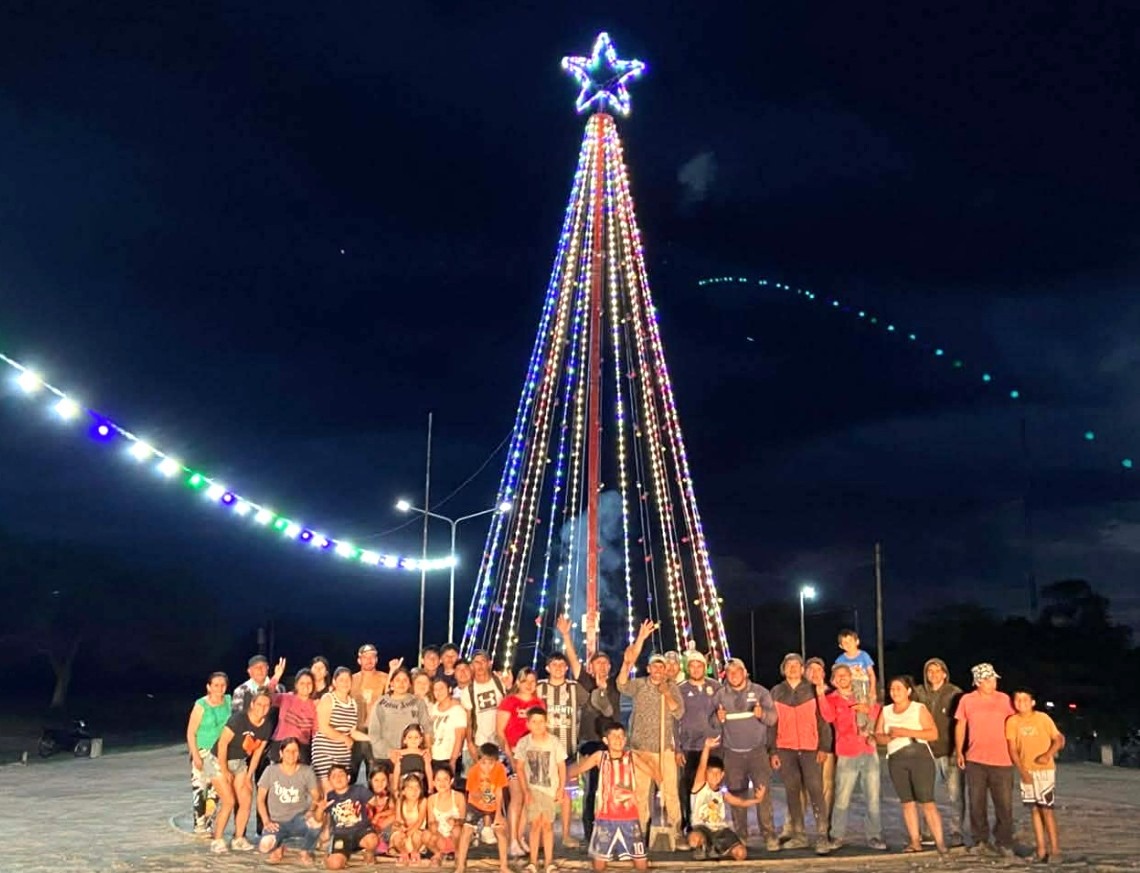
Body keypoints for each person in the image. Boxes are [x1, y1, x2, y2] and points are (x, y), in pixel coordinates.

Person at [556, 614, 621, 843]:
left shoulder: (616, 684)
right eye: (597, 663)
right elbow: (573, 661)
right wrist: (566, 635)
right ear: (591, 667)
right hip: (589, 742)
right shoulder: (585, 681)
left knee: (612, 788)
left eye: (605, 663)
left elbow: (629, 663)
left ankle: (612, 827)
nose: (601, 666)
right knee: (592, 787)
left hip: (612, 744)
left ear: (609, 666)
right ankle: (589, 830)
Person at [617, 619, 685, 840]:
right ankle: (640, 831)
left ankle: (675, 830)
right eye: (654, 666)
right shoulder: (639, 685)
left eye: (661, 667)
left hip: (664, 748)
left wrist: (666, 693)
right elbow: (621, 684)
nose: (657, 670)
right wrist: (626, 663)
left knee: (670, 792)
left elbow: (678, 713)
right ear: (648, 669)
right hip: (640, 749)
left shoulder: (672, 687)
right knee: (640, 793)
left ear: (665, 671)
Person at [769, 653, 836, 853]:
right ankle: (799, 835)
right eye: (788, 665)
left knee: (816, 790)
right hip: (785, 749)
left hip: (810, 748)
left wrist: (824, 747)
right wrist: (773, 751)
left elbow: (823, 722)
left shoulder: (813, 690)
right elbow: (772, 724)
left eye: (796, 665)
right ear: (783, 669)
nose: (792, 668)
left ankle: (822, 835)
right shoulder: (776, 692)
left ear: (802, 669)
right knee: (792, 792)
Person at [710, 656, 778, 850]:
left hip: (757, 753)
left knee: (763, 794)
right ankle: (741, 835)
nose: (733, 675)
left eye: (737, 671)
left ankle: (769, 834)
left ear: (745, 672)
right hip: (732, 755)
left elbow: (773, 719)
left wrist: (762, 714)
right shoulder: (720, 695)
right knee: (736, 794)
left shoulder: (760, 692)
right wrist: (717, 718)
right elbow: (712, 724)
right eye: (729, 672)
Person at [875, 676, 947, 855]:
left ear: (908, 691)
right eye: (892, 689)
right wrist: (888, 737)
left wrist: (905, 732)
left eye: (899, 688)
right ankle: (915, 842)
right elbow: (878, 736)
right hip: (896, 759)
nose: (895, 692)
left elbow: (933, 734)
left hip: (919, 756)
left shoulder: (918, 708)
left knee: (927, 802)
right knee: (907, 803)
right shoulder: (886, 711)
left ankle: (940, 843)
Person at [569, 722, 649, 872]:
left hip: (630, 817)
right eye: (614, 736)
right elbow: (576, 770)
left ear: (625, 739)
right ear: (606, 740)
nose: (618, 740)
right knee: (599, 863)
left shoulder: (632, 757)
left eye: (621, 736)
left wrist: (648, 762)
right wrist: (561, 773)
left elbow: (655, 773)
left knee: (641, 862)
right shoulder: (600, 757)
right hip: (606, 819)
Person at [822, 664, 886, 850]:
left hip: (868, 750)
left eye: (845, 674)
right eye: (838, 676)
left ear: (851, 677)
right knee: (842, 798)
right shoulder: (831, 699)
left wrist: (868, 710)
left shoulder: (862, 694)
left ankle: (874, 836)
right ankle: (837, 835)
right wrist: (819, 693)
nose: (842, 678)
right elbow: (827, 717)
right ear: (834, 681)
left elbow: (879, 712)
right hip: (847, 752)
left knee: (872, 797)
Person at [955, 662, 1016, 857]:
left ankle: (1004, 840)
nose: (993, 683)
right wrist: (959, 751)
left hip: (1003, 759)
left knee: (1004, 805)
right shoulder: (967, 700)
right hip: (976, 759)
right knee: (976, 803)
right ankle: (980, 839)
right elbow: (961, 725)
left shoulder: (1004, 699)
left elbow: (1015, 723)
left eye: (994, 679)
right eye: (989, 680)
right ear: (978, 682)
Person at [209, 690, 275, 853]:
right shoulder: (239, 719)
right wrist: (224, 770)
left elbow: (257, 752)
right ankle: (217, 839)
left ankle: (238, 838)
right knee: (229, 801)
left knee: (246, 799)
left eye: (266, 705)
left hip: (240, 763)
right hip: (218, 760)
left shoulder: (267, 725)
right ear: (252, 704)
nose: (262, 708)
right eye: (259, 704)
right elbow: (222, 744)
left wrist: (249, 776)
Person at [1006, 688, 1065, 863]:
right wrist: (1022, 771)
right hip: (1026, 770)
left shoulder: (1042, 719)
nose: (1021, 703)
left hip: (1044, 770)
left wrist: (1048, 754)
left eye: (1025, 700)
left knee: (1047, 810)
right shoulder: (1012, 722)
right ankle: (1041, 849)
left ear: (1032, 702)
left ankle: (1055, 849)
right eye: (1017, 700)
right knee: (1034, 810)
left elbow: (1059, 739)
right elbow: (1012, 749)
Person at [913, 657, 965, 844]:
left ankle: (956, 831)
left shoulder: (954, 693)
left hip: (949, 751)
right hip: (926, 752)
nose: (933, 674)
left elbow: (961, 722)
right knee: (926, 795)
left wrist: (959, 750)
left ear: (944, 674)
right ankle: (928, 831)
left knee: (955, 796)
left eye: (937, 671)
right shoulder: (919, 693)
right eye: (930, 671)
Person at [688, 736, 766, 861]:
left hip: (721, 830)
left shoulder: (722, 791)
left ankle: (717, 850)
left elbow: (739, 802)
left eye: (718, 773)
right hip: (702, 828)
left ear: (722, 775)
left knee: (741, 854)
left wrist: (757, 800)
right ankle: (705, 848)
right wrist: (706, 748)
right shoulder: (700, 786)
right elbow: (702, 766)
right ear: (706, 774)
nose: (715, 776)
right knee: (694, 839)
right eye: (711, 773)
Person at [497, 667, 546, 856]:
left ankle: (519, 836)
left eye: (533, 681)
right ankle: (512, 840)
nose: (529, 685)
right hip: (512, 752)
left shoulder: (538, 703)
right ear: (518, 682)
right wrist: (510, 754)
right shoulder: (509, 701)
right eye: (525, 681)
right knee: (516, 796)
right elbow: (500, 731)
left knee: (528, 797)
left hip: (532, 754)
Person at [537, 650, 581, 848]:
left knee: (567, 793)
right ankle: (540, 836)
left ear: (566, 668)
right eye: (554, 664)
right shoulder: (539, 687)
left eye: (562, 665)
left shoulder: (574, 688)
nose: (558, 668)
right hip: (543, 750)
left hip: (568, 750)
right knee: (541, 794)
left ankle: (566, 835)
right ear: (547, 668)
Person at [256, 736, 322, 865]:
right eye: (287, 751)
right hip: (277, 821)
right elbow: (260, 799)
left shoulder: (307, 771)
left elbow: (316, 796)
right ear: (281, 753)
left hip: (299, 818)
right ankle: (279, 846)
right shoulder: (271, 770)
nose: (291, 754)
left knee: (316, 822)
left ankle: (306, 851)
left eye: (295, 751)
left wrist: (311, 810)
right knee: (264, 847)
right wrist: (266, 821)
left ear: (299, 753)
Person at [515, 708, 566, 873]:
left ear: (546, 723)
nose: (538, 725)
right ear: (528, 724)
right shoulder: (524, 743)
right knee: (535, 825)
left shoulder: (554, 742)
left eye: (541, 721)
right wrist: (525, 791)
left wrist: (561, 788)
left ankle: (549, 862)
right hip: (533, 788)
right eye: (534, 721)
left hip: (550, 789)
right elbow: (519, 767)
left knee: (548, 825)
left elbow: (561, 766)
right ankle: (533, 862)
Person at [676, 650, 720, 838]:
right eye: (692, 666)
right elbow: (674, 720)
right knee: (688, 786)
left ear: (705, 667)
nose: (695, 669)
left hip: (713, 746)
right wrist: (677, 748)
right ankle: (689, 823)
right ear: (688, 668)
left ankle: (711, 821)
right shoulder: (680, 689)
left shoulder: (716, 687)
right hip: (690, 746)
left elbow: (723, 711)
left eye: (699, 665)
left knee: (712, 785)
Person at [312, 667, 371, 799]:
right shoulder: (328, 699)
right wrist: (343, 738)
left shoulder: (353, 703)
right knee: (329, 795)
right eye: (341, 680)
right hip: (325, 753)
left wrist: (371, 738)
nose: (345, 683)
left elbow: (352, 732)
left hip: (343, 756)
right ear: (334, 682)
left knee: (341, 795)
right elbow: (323, 727)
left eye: (348, 680)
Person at [187, 671, 232, 835]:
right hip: (202, 751)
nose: (219, 688)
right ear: (209, 687)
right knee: (201, 789)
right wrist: (195, 755)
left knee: (216, 792)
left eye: (222, 685)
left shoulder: (229, 701)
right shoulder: (201, 705)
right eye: (216, 685)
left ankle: (208, 824)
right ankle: (199, 826)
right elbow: (191, 732)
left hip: (221, 753)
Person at [456, 743, 511, 873]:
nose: (487, 767)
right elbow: (473, 793)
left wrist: (498, 814)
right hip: (475, 804)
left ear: (496, 761)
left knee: (501, 833)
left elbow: (499, 791)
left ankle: (504, 866)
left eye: (491, 763)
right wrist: (484, 788)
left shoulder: (500, 769)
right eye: (483, 763)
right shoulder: (473, 771)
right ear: (479, 761)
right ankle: (460, 866)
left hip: (494, 804)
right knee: (466, 831)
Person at [351, 645, 401, 784]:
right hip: (354, 733)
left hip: (376, 732)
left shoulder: (385, 677)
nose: (369, 660)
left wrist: (393, 671)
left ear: (376, 659)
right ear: (359, 660)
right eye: (365, 657)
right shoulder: (351, 679)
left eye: (372, 657)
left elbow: (391, 696)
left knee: (375, 773)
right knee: (350, 773)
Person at [369, 668, 431, 770]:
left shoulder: (418, 702)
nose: (401, 684)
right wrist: (390, 752)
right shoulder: (380, 703)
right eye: (397, 680)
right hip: (385, 757)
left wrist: (428, 750)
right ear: (391, 683)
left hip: (411, 755)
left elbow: (427, 728)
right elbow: (373, 733)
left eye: (405, 680)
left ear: (410, 684)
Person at [802, 657, 836, 838]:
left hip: (826, 747)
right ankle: (795, 828)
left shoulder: (831, 693)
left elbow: (828, 723)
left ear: (824, 673)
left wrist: (825, 746)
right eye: (811, 670)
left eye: (818, 670)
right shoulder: (800, 693)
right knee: (801, 789)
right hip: (803, 747)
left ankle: (825, 827)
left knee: (826, 788)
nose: (815, 674)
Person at [323, 763, 378, 869]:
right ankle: (340, 856)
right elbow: (321, 818)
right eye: (334, 776)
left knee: (372, 840)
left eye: (341, 774)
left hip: (362, 832)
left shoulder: (359, 790)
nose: (338, 778)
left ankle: (368, 852)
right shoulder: (329, 797)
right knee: (334, 865)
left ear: (348, 778)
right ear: (330, 782)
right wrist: (320, 809)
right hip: (341, 835)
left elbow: (375, 802)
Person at [270, 668, 317, 764]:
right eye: (302, 683)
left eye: (309, 683)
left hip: (301, 749)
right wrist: (276, 677)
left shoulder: (315, 705)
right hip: (280, 743)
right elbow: (267, 697)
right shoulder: (286, 698)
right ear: (296, 685)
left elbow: (315, 732)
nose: (306, 686)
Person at [833, 630, 876, 733]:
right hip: (850, 686)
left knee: (867, 703)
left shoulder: (863, 656)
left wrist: (872, 689)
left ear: (857, 641)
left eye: (850, 641)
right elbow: (836, 676)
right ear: (841, 646)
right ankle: (859, 727)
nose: (848, 644)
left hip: (863, 684)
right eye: (845, 643)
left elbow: (871, 674)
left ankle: (868, 728)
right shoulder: (840, 660)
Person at [425, 764, 466, 863]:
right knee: (425, 835)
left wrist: (456, 822)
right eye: (438, 780)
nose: (442, 783)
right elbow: (430, 821)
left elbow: (464, 820)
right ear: (433, 782)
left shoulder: (458, 796)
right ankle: (438, 853)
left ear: (451, 781)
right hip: (440, 838)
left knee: (457, 830)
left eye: (445, 779)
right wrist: (433, 826)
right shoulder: (431, 799)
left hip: (456, 838)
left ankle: (457, 853)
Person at [428, 676, 468, 777]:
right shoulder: (434, 708)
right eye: (435, 689)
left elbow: (459, 737)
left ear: (449, 689)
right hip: (434, 756)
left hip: (449, 757)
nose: (439, 692)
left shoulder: (457, 710)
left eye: (441, 688)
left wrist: (453, 760)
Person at [390, 772, 429, 864]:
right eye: (410, 788)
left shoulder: (423, 801)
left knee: (417, 835)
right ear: (403, 791)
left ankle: (415, 852)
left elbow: (419, 821)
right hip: (405, 834)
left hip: (417, 834)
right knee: (397, 837)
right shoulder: (400, 801)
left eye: (417, 787)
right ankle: (403, 853)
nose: (414, 791)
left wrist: (409, 832)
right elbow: (398, 820)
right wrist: (401, 828)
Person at [391, 722, 431, 792]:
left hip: (419, 785)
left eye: (416, 737)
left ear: (421, 739)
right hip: (404, 785)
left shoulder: (424, 753)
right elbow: (397, 771)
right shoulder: (399, 753)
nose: (413, 740)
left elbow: (428, 770)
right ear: (404, 740)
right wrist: (395, 788)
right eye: (410, 737)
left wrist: (430, 787)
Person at [366, 764, 396, 857]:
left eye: (383, 780)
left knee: (395, 819)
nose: (380, 784)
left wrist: (379, 815)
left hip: (386, 831)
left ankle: (383, 844)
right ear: (370, 781)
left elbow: (394, 812)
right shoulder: (367, 797)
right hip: (371, 831)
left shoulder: (389, 798)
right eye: (376, 780)